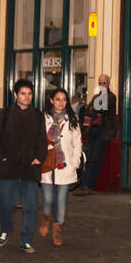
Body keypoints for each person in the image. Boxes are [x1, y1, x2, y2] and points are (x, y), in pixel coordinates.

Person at [0, 79, 48, 251]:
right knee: (6, 204)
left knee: (30, 206)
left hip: (30, 169)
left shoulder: (38, 116)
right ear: (15, 95)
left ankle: (26, 240)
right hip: (9, 169)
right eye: (23, 93)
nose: (27, 97)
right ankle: (5, 229)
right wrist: (3, 158)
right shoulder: (4, 115)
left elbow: (42, 141)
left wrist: (39, 157)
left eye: (29, 93)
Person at [39, 87, 82, 246]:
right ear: (51, 100)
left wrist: (75, 163)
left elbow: (77, 143)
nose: (60, 102)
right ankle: (46, 218)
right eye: (57, 99)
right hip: (48, 164)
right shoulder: (44, 119)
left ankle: (57, 229)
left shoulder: (73, 119)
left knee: (61, 200)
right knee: (49, 198)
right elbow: (38, 141)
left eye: (64, 99)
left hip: (65, 165)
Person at [74, 74, 117, 196]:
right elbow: (87, 110)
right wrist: (93, 111)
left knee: (95, 159)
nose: (102, 85)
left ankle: (88, 186)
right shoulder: (96, 96)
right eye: (100, 83)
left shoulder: (111, 97)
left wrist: (94, 110)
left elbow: (101, 109)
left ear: (108, 84)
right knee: (89, 158)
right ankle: (83, 185)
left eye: (104, 83)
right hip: (93, 130)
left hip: (103, 132)